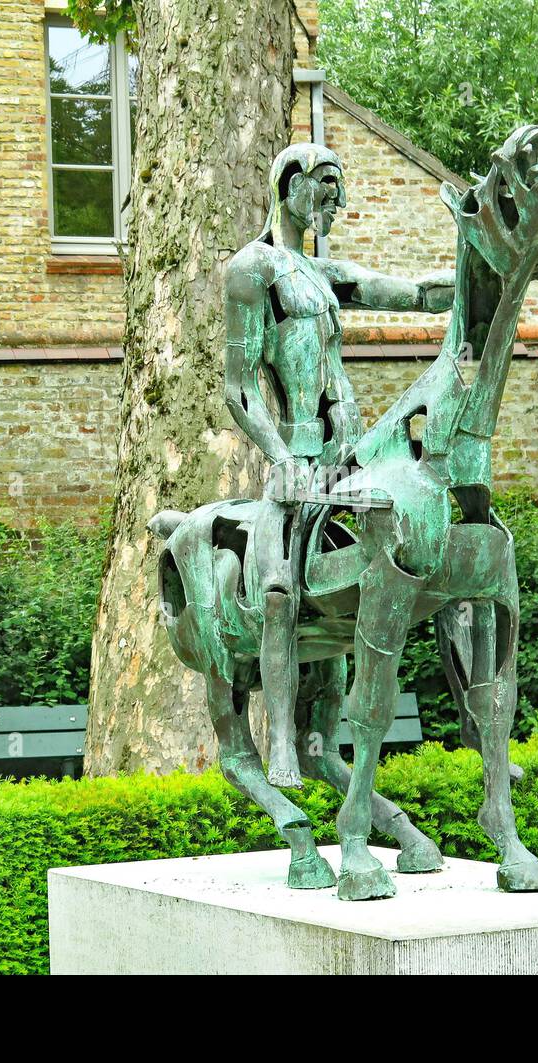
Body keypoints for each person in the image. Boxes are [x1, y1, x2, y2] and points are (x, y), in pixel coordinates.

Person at [223, 143, 453, 787]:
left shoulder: (324, 274)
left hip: (349, 457)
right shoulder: (252, 272)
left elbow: (422, 294)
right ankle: (279, 747)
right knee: (277, 594)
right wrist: (279, 458)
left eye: (340, 190)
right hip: (297, 457)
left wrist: (509, 265)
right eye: (325, 187)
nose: (335, 202)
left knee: (408, 557)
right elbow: (237, 387)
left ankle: (346, 731)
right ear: (289, 183)